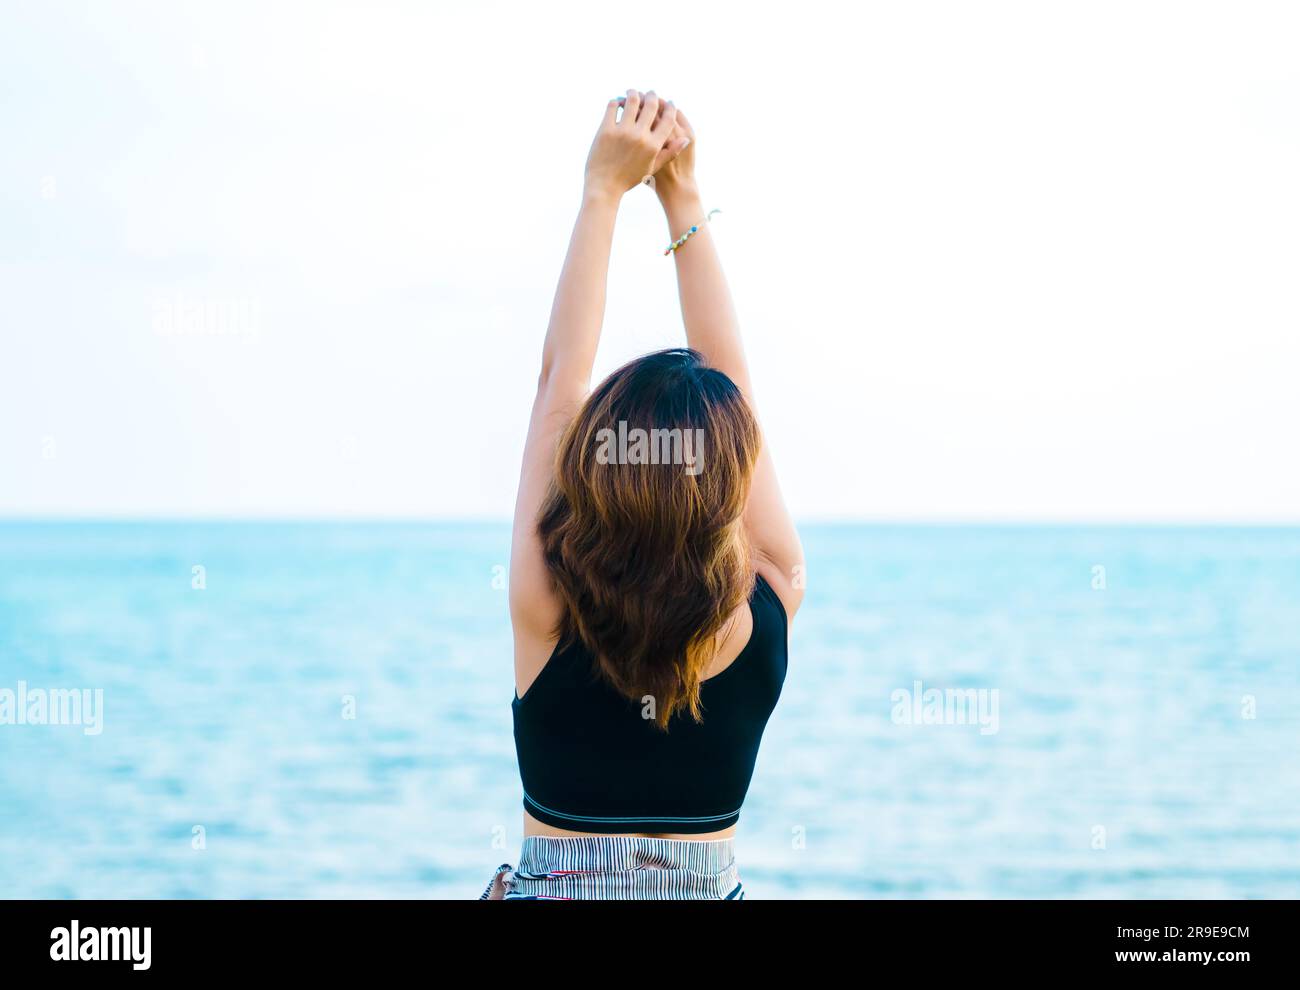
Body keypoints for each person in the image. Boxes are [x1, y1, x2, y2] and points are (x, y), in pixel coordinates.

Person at [486, 89, 804, 900]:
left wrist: (603, 190)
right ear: (730, 479)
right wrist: (683, 199)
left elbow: (560, 381)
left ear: (601, 463)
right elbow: (733, 384)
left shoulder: (543, 603)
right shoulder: (769, 599)